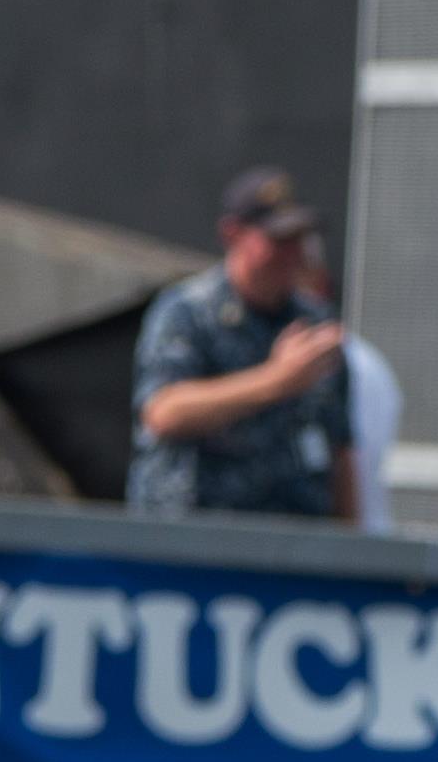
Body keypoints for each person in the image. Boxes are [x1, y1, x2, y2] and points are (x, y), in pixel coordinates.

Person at [127, 168, 348, 516]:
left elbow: (342, 447)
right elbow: (163, 413)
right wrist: (276, 380)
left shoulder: (316, 322)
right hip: (196, 543)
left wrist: (349, 550)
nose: (291, 254)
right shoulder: (187, 313)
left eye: (298, 239)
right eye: (277, 240)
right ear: (233, 234)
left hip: (295, 543)